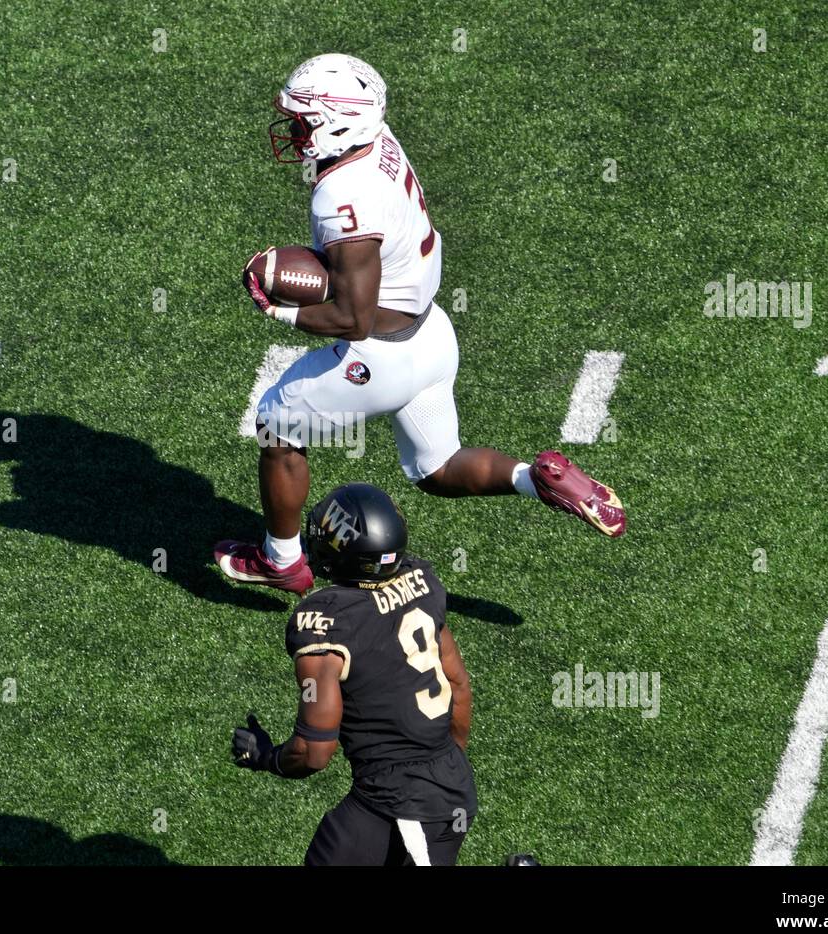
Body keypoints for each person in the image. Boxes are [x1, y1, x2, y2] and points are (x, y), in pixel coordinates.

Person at [216, 53, 625, 595]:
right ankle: (536, 480)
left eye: (303, 119)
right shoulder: (380, 142)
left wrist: (278, 308)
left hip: (377, 355)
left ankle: (281, 561)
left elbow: (352, 318)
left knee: (275, 427)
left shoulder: (342, 194)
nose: (294, 130)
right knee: (437, 467)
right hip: (430, 335)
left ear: (337, 121)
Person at [231, 483, 475, 865]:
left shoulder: (327, 621)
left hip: (408, 805)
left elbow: (313, 752)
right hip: (428, 786)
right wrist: (446, 770)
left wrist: (266, 757)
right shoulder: (422, 581)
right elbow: (458, 686)